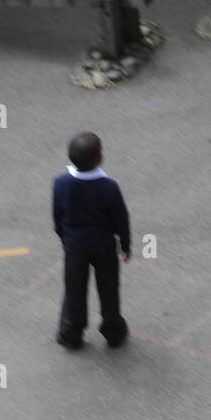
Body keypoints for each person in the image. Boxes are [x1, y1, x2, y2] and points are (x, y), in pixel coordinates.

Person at [52, 131, 131, 351]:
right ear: (98, 158)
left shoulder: (60, 183)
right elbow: (121, 219)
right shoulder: (109, 187)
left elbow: (57, 215)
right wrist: (125, 245)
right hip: (104, 247)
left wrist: (63, 237)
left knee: (74, 290)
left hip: (75, 247)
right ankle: (113, 330)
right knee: (108, 289)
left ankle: (71, 333)